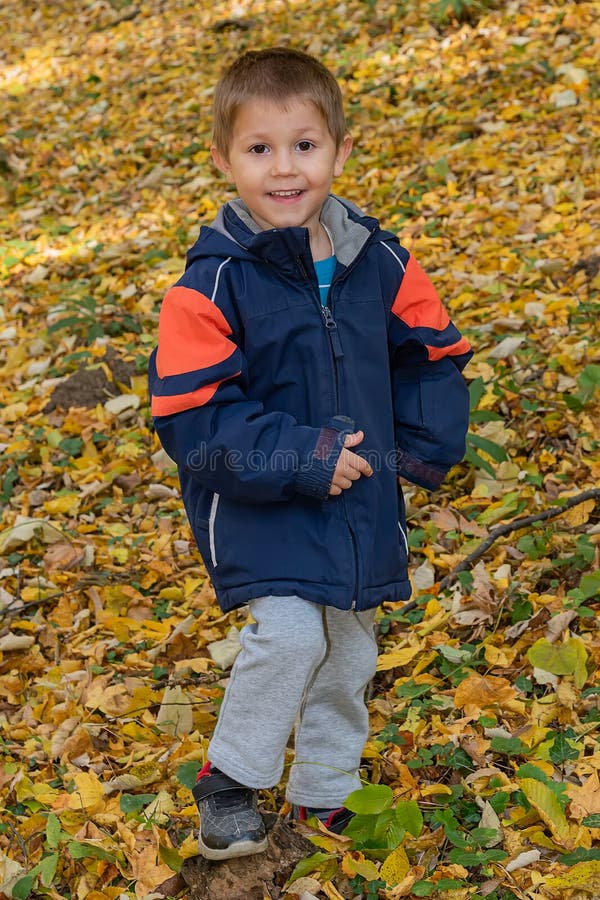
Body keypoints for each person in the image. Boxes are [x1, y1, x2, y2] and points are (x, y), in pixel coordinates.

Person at [148, 47, 472, 860]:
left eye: (305, 145)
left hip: (360, 500)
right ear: (224, 158)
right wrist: (303, 455)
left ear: (339, 150)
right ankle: (229, 781)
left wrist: (423, 448)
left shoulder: (378, 260)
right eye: (260, 149)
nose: (284, 168)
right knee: (292, 635)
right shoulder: (211, 283)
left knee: (352, 644)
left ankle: (327, 792)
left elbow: (429, 351)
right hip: (261, 498)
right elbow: (193, 419)